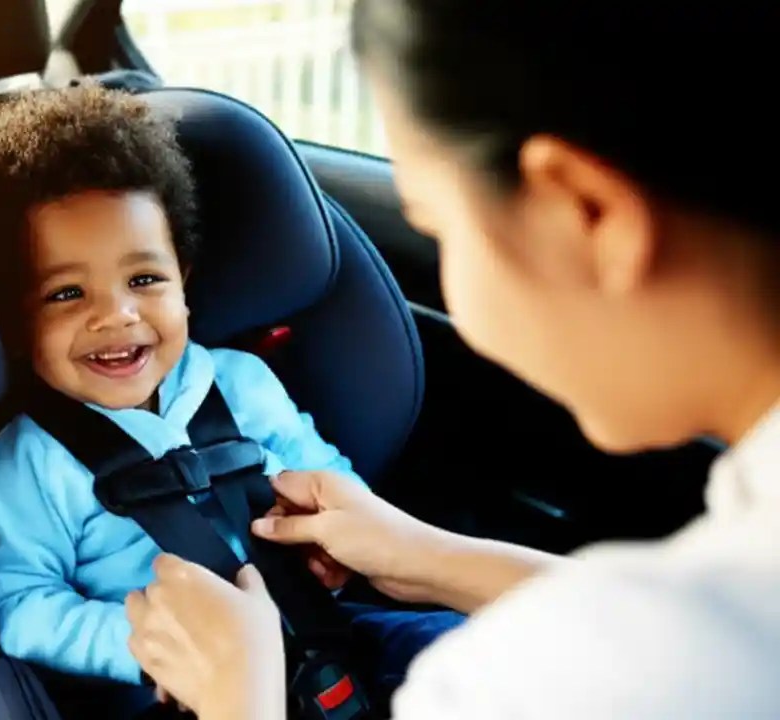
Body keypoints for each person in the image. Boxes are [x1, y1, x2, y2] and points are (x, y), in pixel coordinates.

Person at [124, 1, 780, 718]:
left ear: (585, 214)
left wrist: (238, 700)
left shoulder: (531, 685)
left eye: (438, 224)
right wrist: (433, 558)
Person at [0, 82, 463, 719]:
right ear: (15, 314)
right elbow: (19, 604)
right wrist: (139, 645)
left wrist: (324, 544)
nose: (117, 314)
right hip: (173, 690)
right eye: (66, 294)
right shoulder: (29, 460)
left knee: (477, 650)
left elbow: (325, 474)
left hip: (326, 641)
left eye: (145, 279)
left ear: (184, 284)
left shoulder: (241, 382)